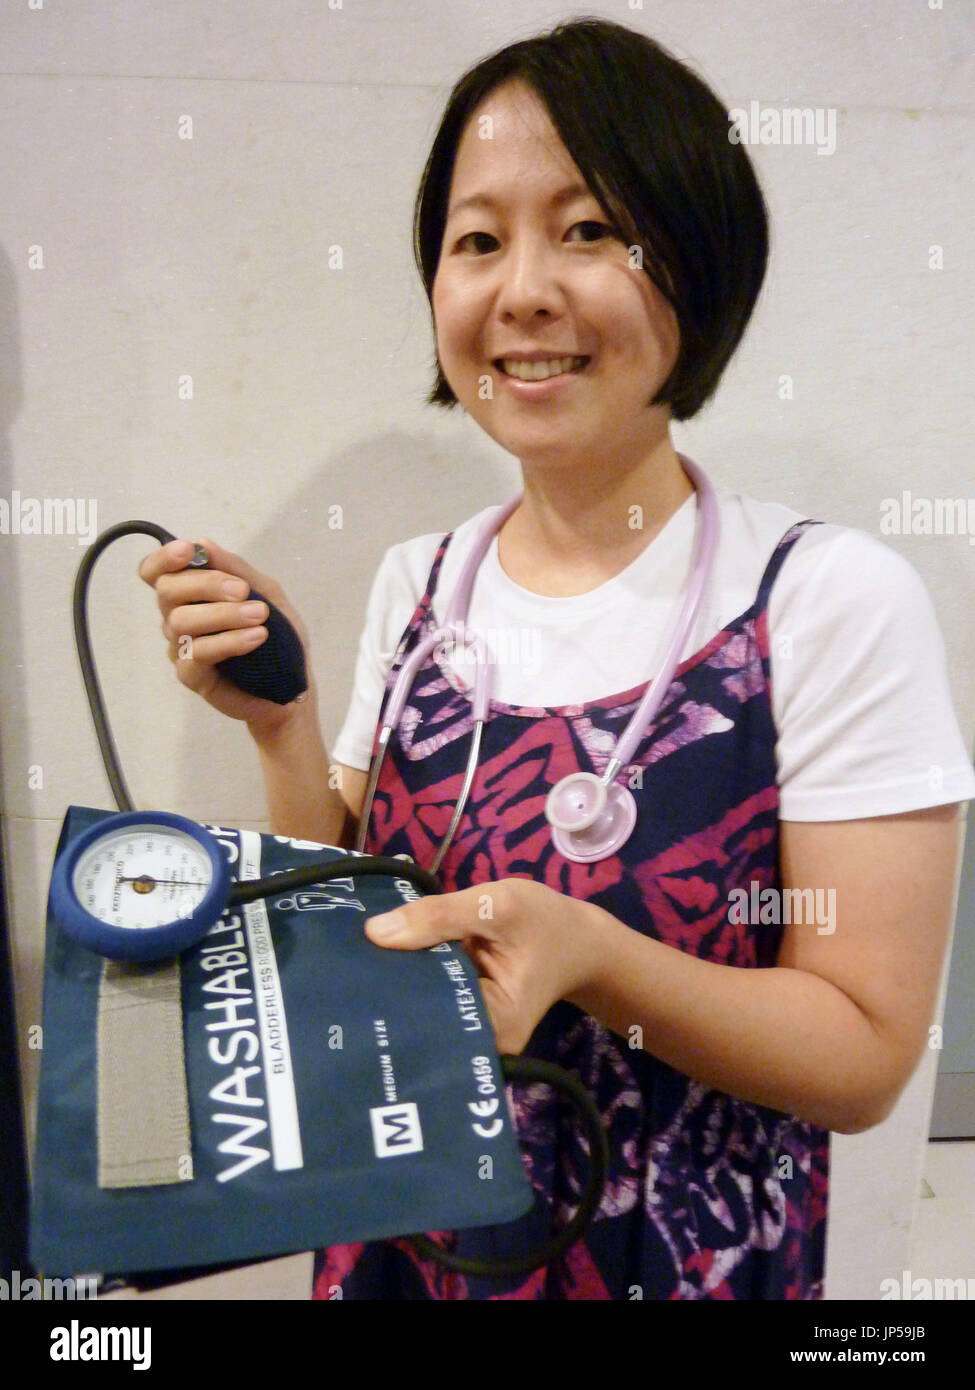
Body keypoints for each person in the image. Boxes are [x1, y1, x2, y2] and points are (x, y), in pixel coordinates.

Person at [139, 18, 975, 1299]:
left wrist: (593, 957)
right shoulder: (423, 583)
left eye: (588, 230)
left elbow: (865, 1056)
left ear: (696, 261)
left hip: (669, 1263)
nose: (521, 289)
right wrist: (282, 726)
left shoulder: (828, 601)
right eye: (477, 240)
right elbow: (355, 910)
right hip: (400, 1248)